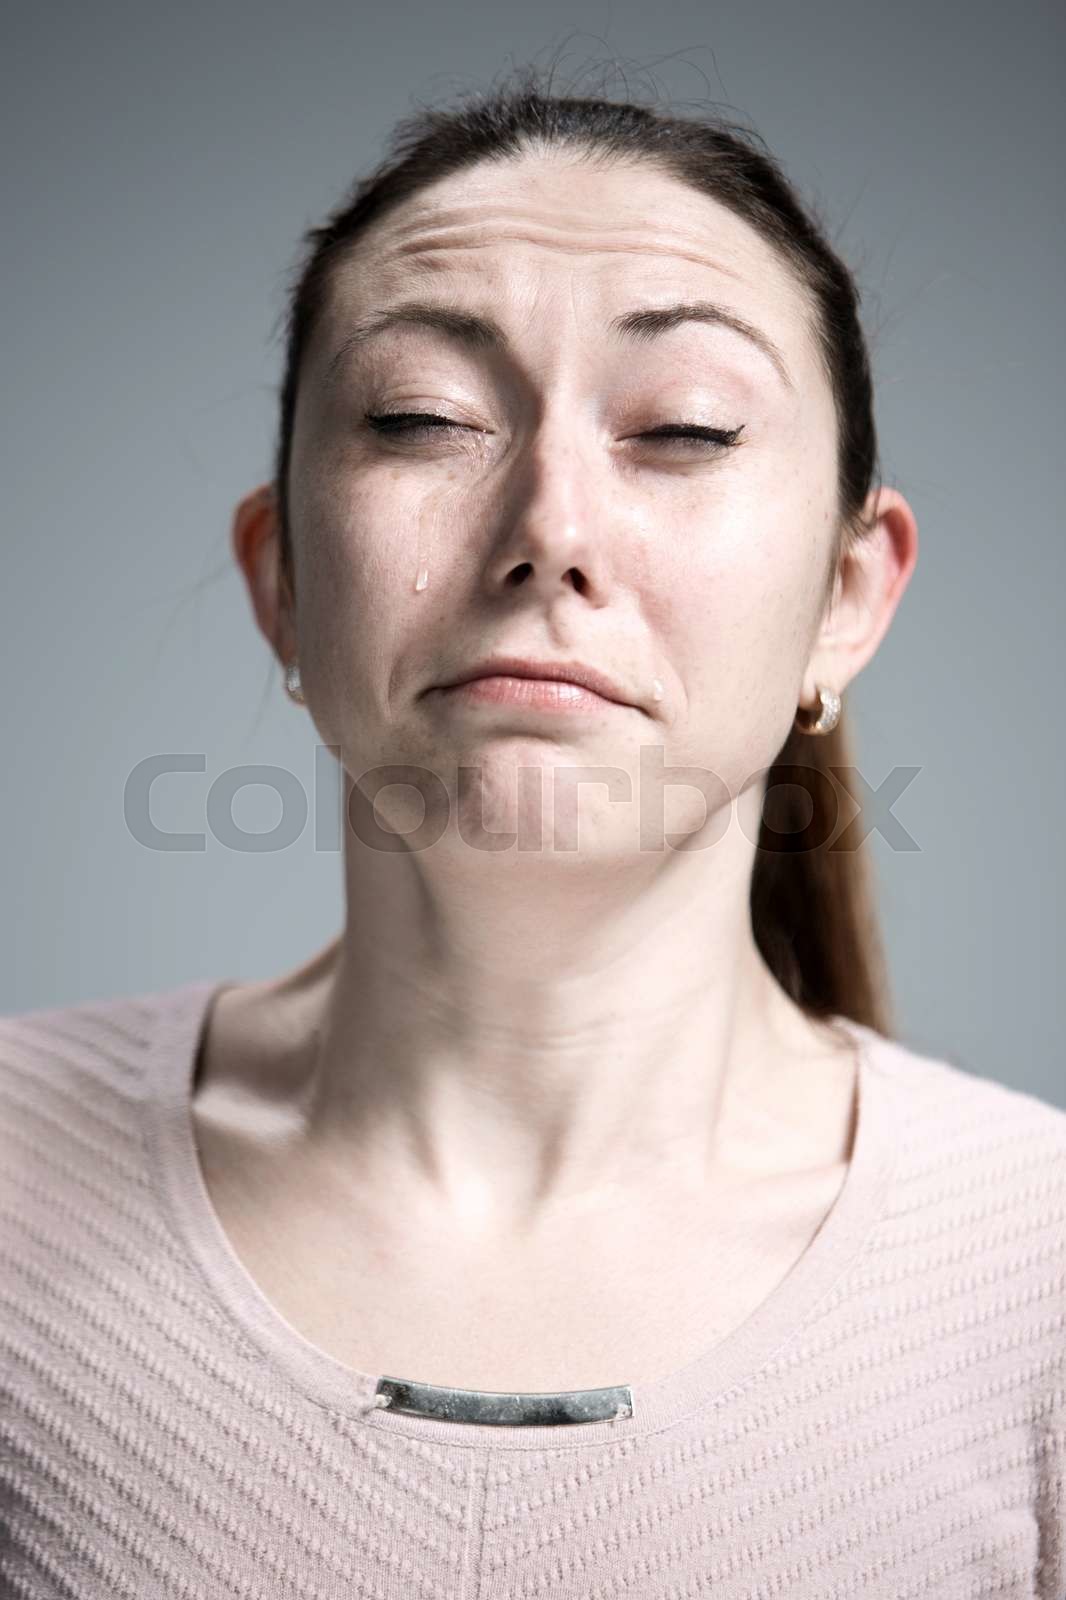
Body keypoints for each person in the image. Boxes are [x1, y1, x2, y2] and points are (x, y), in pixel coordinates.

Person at [3, 71, 1064, 1599]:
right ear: (282, 581)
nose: (550, 527)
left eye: (684, 430)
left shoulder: (1031, 1280)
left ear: (848, 597)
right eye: (422, 417)